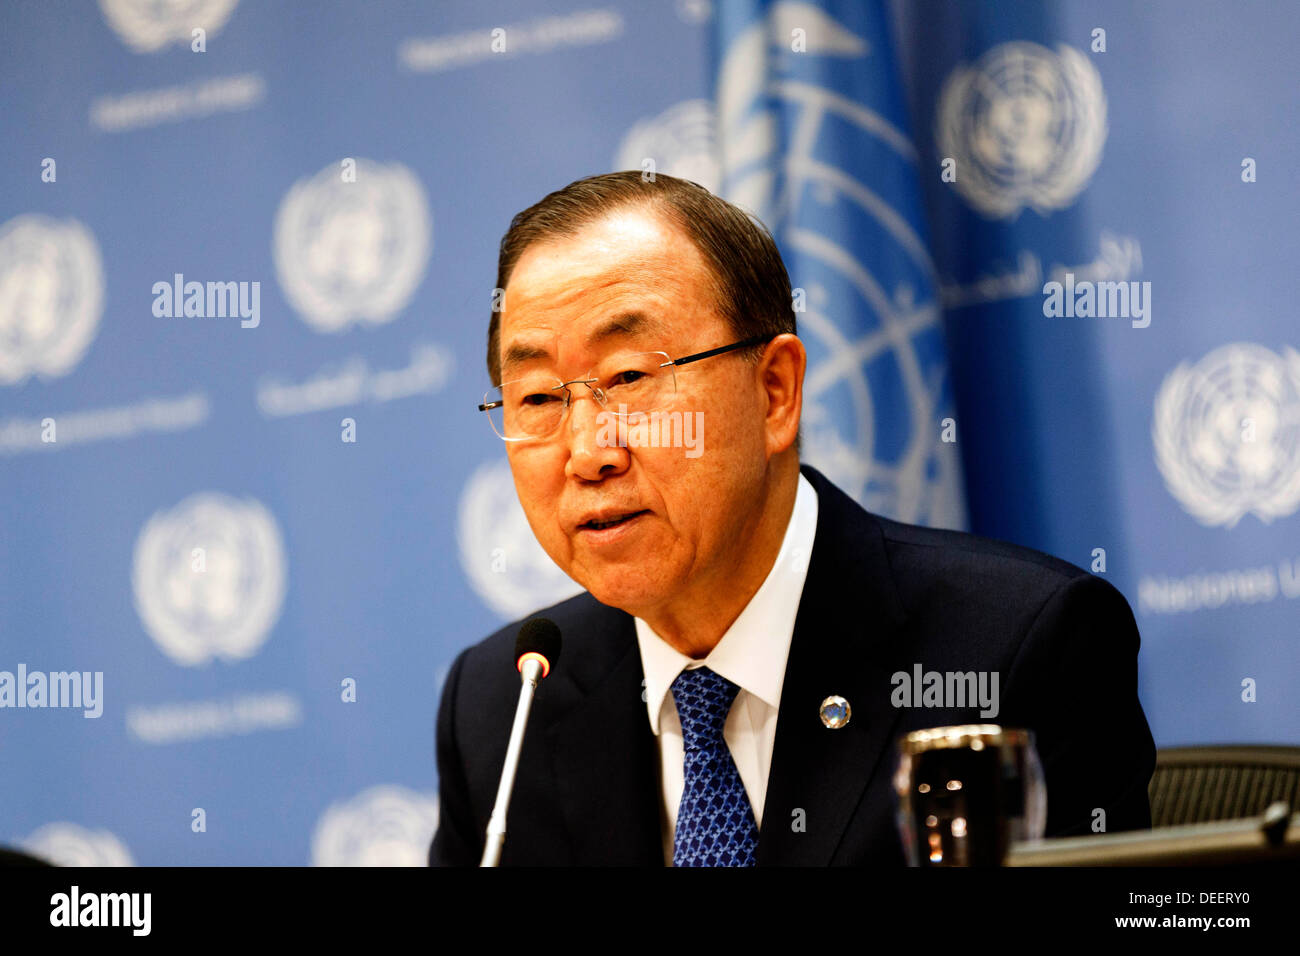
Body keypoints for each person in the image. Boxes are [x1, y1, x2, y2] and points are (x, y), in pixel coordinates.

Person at [428, 171, 1155, 866]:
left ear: (775, 392)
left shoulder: (1015, 651)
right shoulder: (505, 706)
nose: (587, 452)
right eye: (538, 399)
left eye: (629, 378)